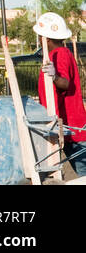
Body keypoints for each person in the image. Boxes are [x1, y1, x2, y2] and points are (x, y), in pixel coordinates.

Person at [33, 11, 86, 176]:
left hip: (70, 125)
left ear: (46, 38)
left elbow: (65, 84)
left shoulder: (60, 54)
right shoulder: (57, 54)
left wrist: (54, 75)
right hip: (61, 124)